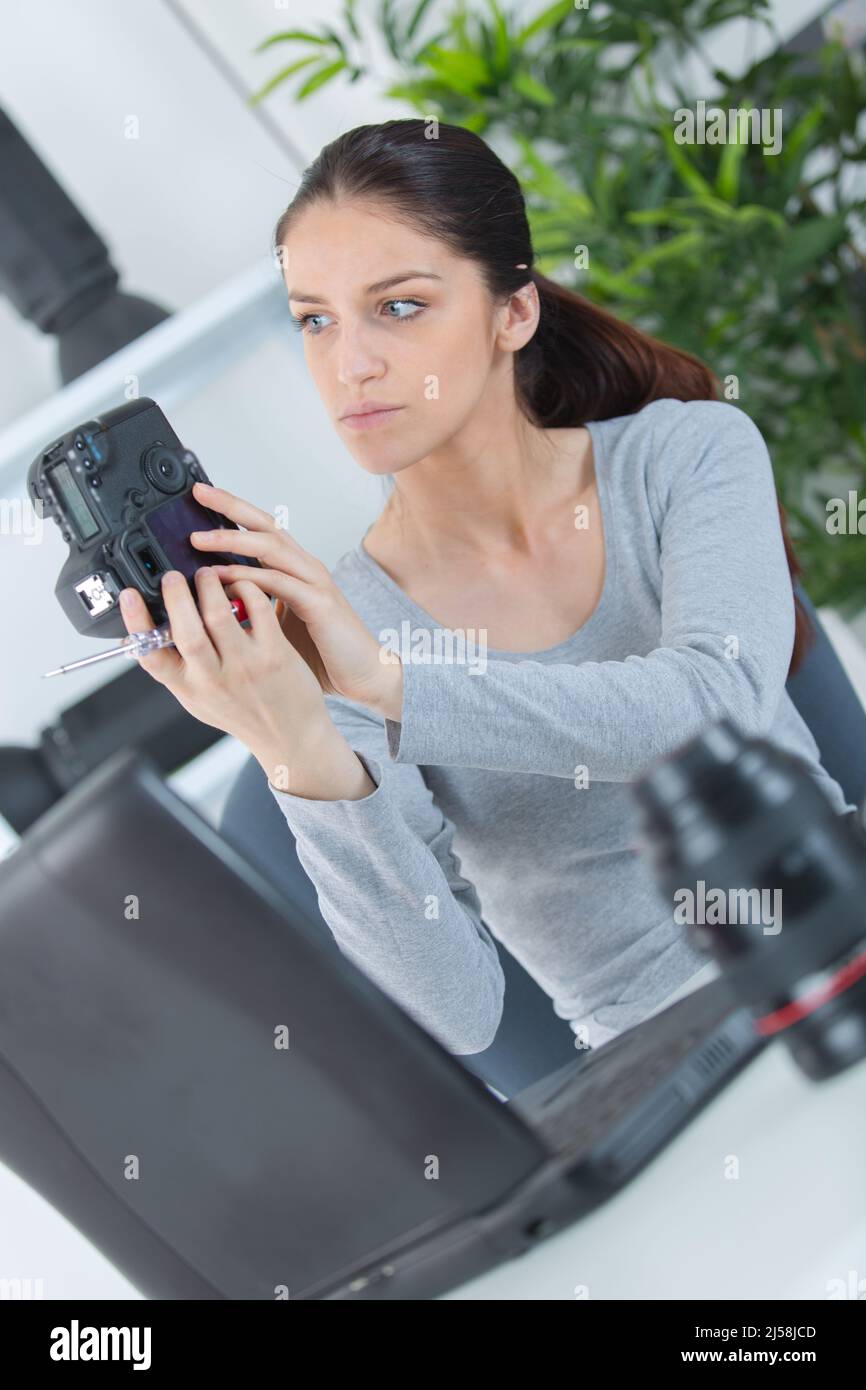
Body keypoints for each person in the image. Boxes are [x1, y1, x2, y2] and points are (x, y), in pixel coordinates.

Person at [119, 119, 856, 1055]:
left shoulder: (687, 454)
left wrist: (396, 687)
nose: (350, 365)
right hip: (670, 1065)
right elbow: (456, 1017)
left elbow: (709, 715)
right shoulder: (333, 624)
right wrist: (299, 749)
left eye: (399, 306)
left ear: (514, 313)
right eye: (315, 319)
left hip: (839, 950)